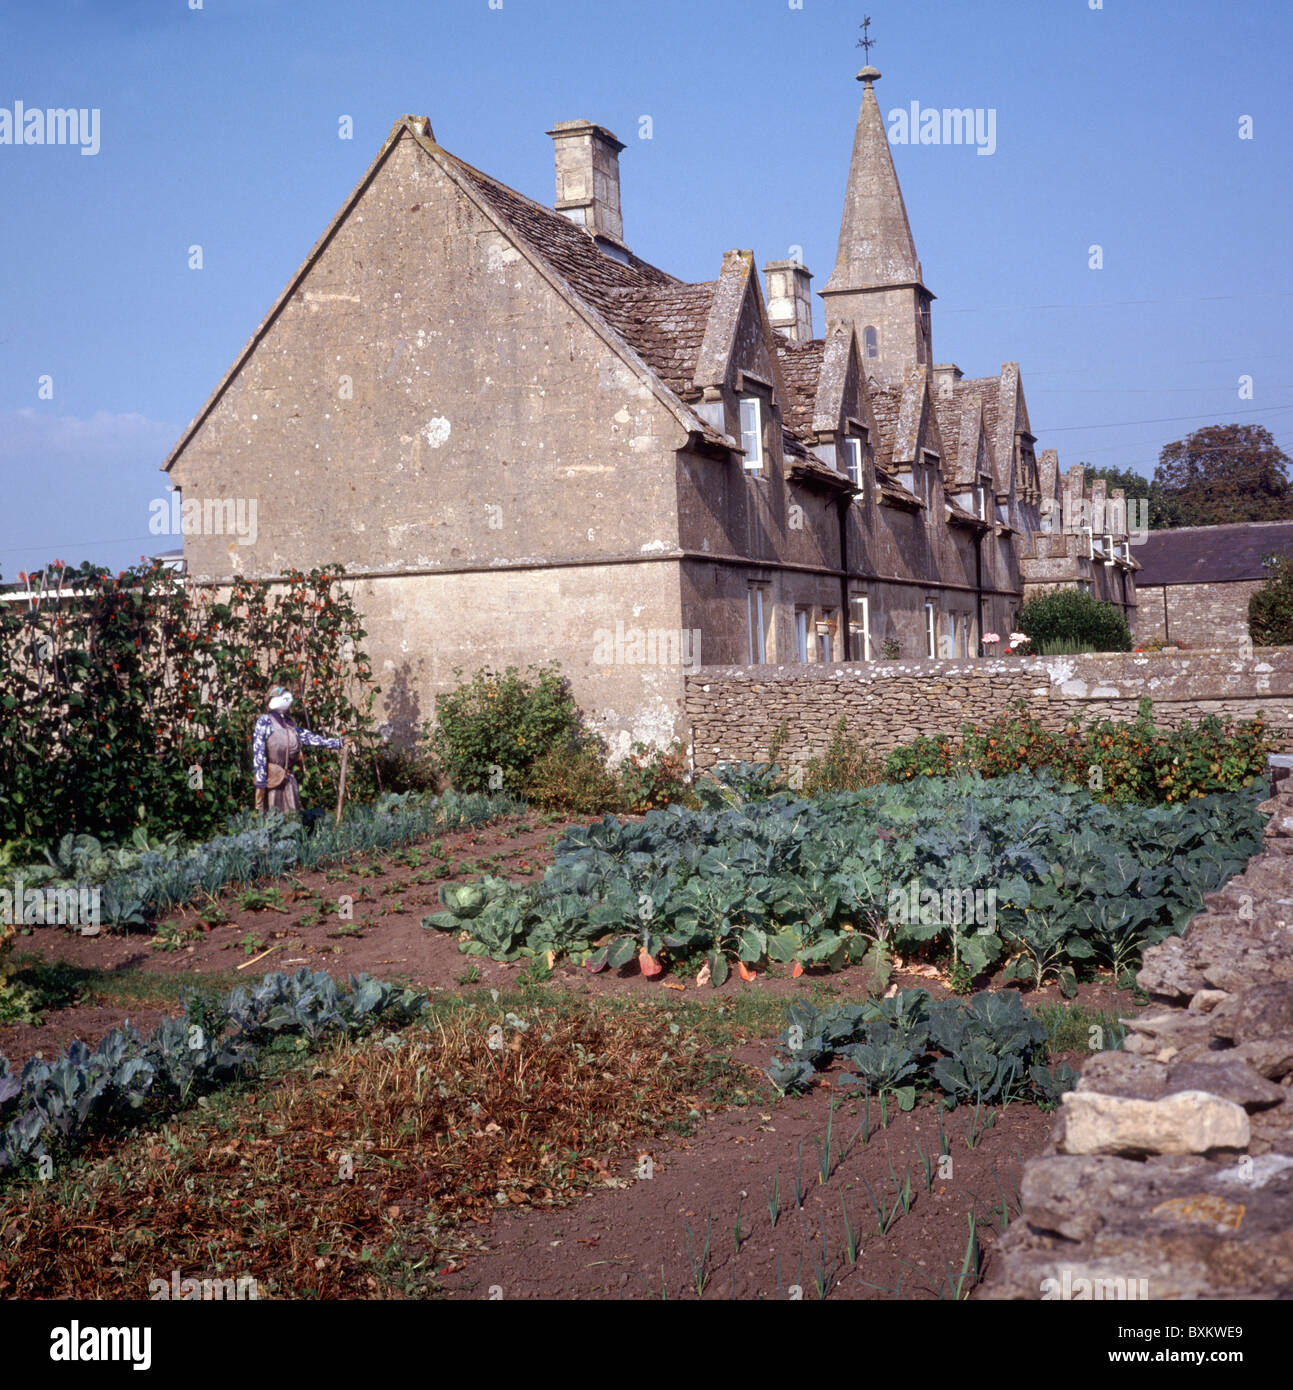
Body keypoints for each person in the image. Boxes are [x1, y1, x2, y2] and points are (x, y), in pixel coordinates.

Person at [252, 684, 346, 815]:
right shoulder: (265, 722)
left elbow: (313, 739)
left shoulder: (291, 727)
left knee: (291, 822)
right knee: (273, 821)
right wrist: (261, 783)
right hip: (272, 782)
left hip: (288, 781)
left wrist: (340, 742)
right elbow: (259, 752)